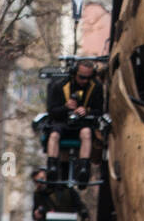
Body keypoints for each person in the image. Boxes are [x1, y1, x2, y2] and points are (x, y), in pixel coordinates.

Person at [44, 58, 104, 189]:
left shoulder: (96, 87)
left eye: (88, 78)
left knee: (86, 133)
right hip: (62, 121)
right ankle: (52, 167)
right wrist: (65, 107)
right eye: (82, 77)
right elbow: (52, 111)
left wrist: (87, 111)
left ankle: (83, 169)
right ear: (74, 74)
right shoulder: (59, 86)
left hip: (83, 123)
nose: (85, 81)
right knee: (54, 135)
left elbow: (99, 110)